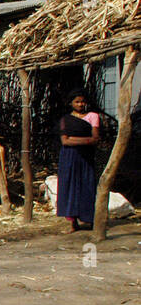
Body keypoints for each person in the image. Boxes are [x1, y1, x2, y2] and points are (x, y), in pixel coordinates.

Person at [57, 88, 102, 231]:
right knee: (69, 187)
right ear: (71, 103)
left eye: (82, 101)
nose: (80, 104)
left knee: (87, 186)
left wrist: (74, 140)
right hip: (69, 157)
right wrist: (87, 140)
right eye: (77, 102)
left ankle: (90, 220)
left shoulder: (93, 116)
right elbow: (65, 141)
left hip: (86, 157)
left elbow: (95, 138)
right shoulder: (65, 119)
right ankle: (73, 223)